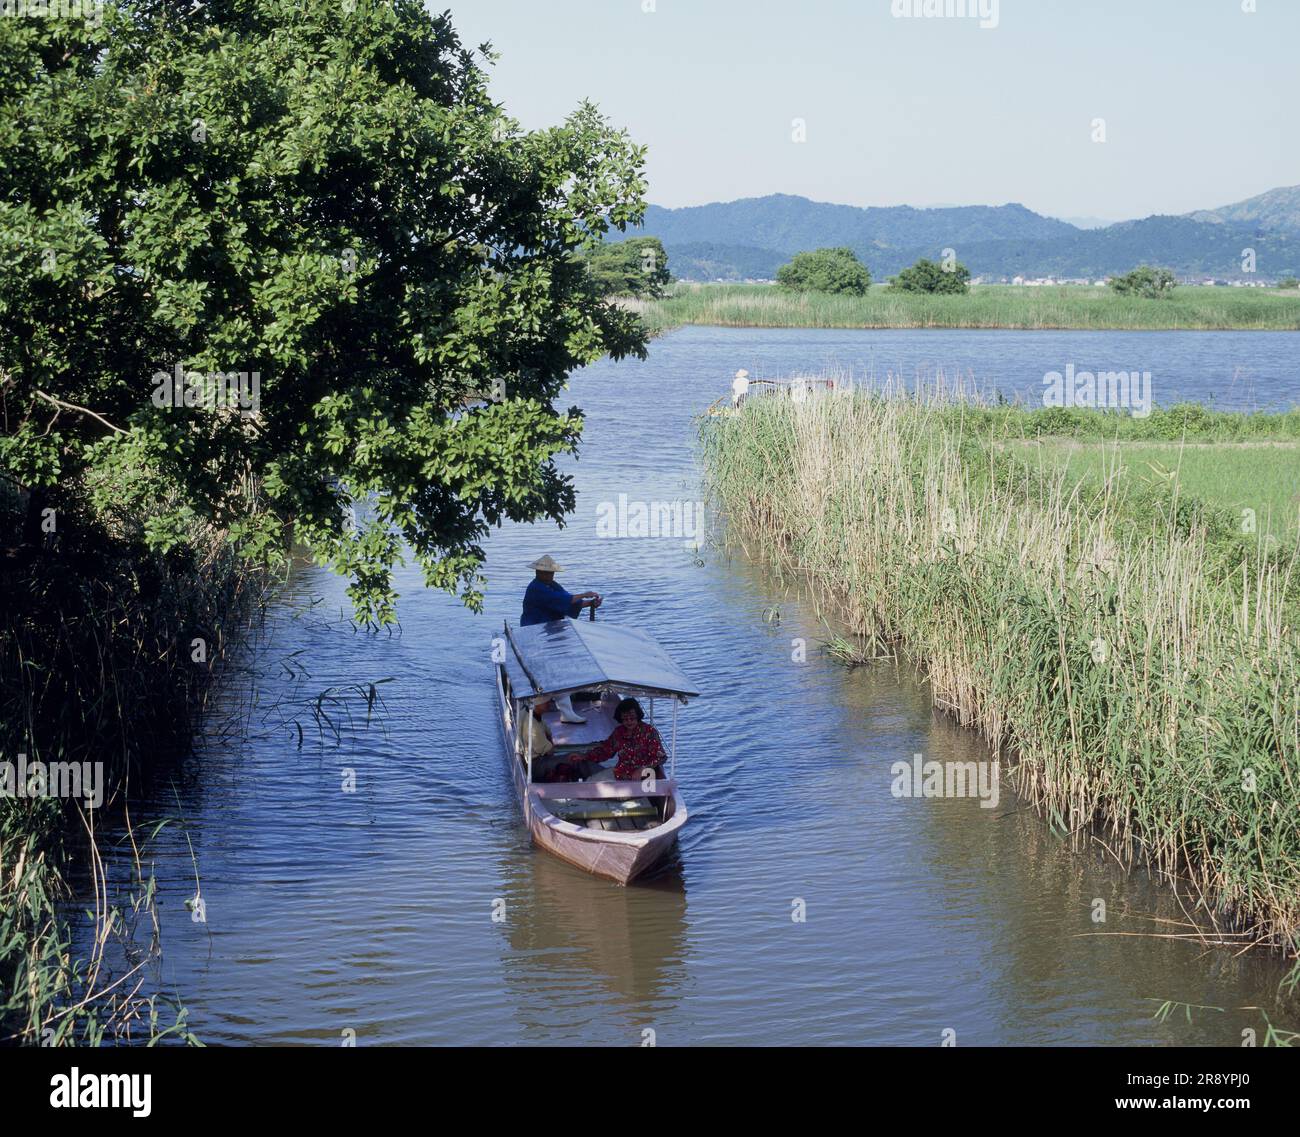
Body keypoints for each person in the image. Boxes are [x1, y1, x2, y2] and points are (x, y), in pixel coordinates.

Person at [520, 555, 602, 723]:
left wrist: (589, 603)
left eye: (552, 573)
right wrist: (585, 594)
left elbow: (568, 602)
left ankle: (565, 711)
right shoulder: (536, 588)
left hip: (550, 634)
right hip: (535, 634)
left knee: (557, 670)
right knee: (545, 671)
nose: (551, 576)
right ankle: (539, 706)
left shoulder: (552, 585)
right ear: (539, 572)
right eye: (548, 573)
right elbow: (564, 599)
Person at [577, 697, 667, 782]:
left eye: (632, 718)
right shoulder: (619, 732)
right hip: (621, 774)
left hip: (646, 776)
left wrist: (643, 768)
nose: (629, 722)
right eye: (625, 719)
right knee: (590, 783)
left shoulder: (649, 731)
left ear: (638, 716)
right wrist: (584, 756)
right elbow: (606, 750)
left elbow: (661, 757)